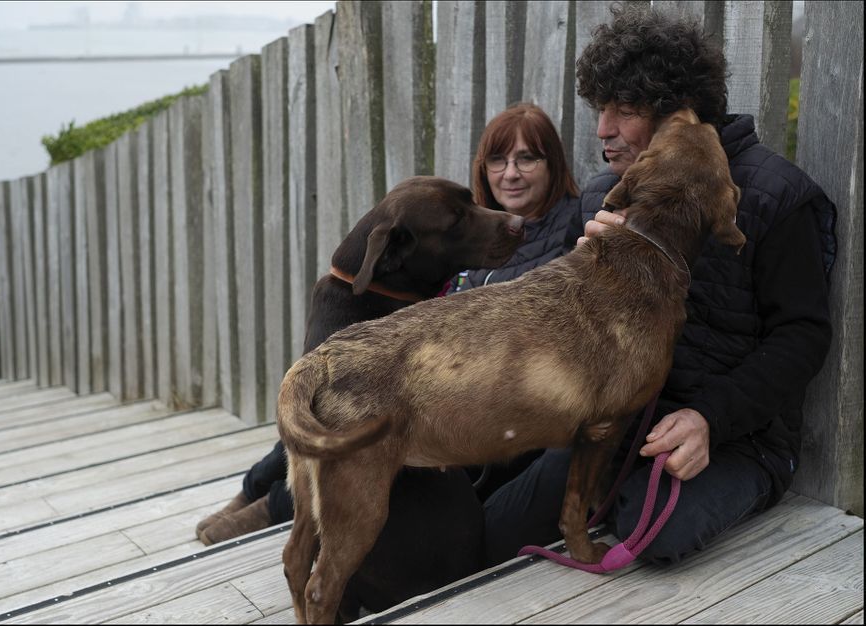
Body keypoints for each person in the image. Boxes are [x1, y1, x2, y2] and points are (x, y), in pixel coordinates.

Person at [481, 4, 837, 566]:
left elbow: (802, 336)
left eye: (624, 111)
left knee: (652, 534)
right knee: (490, 530)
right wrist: (584, 276)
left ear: (681, 114)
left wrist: (709, 420)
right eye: (601, 109)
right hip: (614, 424)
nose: (603, 130)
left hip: (734, 441)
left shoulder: (773, 194)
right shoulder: (606, 193)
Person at [196, 102, 583, 545]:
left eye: (527, 158)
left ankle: (271, 507)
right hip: (435, 373)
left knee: (352, 431)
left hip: (480, 403)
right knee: (322, 405)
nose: (510, 173)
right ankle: (250, 490)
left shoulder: (571, 235)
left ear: (553, 165)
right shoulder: (474, 228)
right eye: (498, 159)